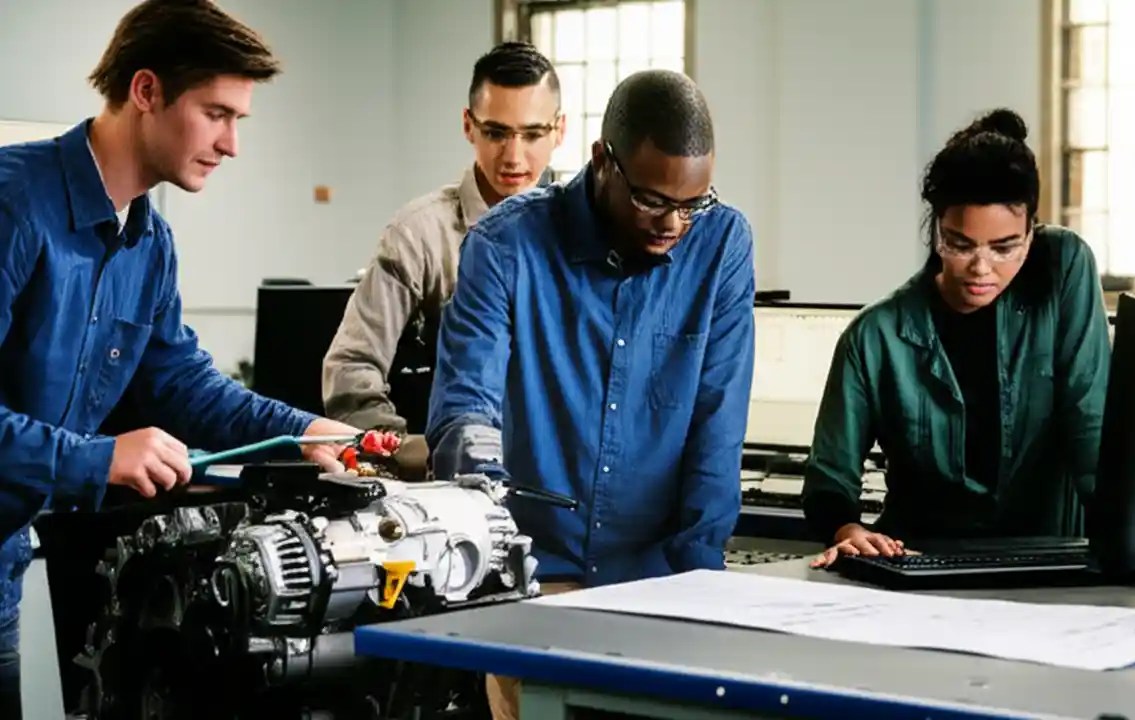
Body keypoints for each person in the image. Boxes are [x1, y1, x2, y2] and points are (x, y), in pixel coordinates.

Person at [0, 1, 361, 714]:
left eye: (239, 121)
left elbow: (182, 385)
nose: (232, 144)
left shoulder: (152, 243)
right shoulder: (13, 203)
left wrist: (307, 433)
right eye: (217, 113)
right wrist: (94, 459)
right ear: (146, 92)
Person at [426, 69, 755, 720]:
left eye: (693, 203)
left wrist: (697, 592)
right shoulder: (507, 244)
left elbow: (718, 425)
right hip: (534, 580)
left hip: (662, 584)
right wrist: (502, 558)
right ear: (603, 160)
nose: (675, 224)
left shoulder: (722, 243)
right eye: (653, 201)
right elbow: (466, 409)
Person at [803, 108, 1111, 567]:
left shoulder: (1061, 266)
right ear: (935, 232)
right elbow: (830, 479)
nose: (982, 268)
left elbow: (1092, 426)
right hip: (921, 565)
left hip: (1049, 559)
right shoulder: (875, 337)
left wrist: (1131, 544)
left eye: (1006, 248)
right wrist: (848, 529)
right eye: (960, 244)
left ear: (1031, 231)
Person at [322, 41, 564, 434]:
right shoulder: (418, 234)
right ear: (469, 126)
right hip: (450, 469)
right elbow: (352, 366)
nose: (514, 157)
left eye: (533, 134)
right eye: (496, 133)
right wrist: (400, 452)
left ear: (559, 131)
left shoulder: (585, 234)